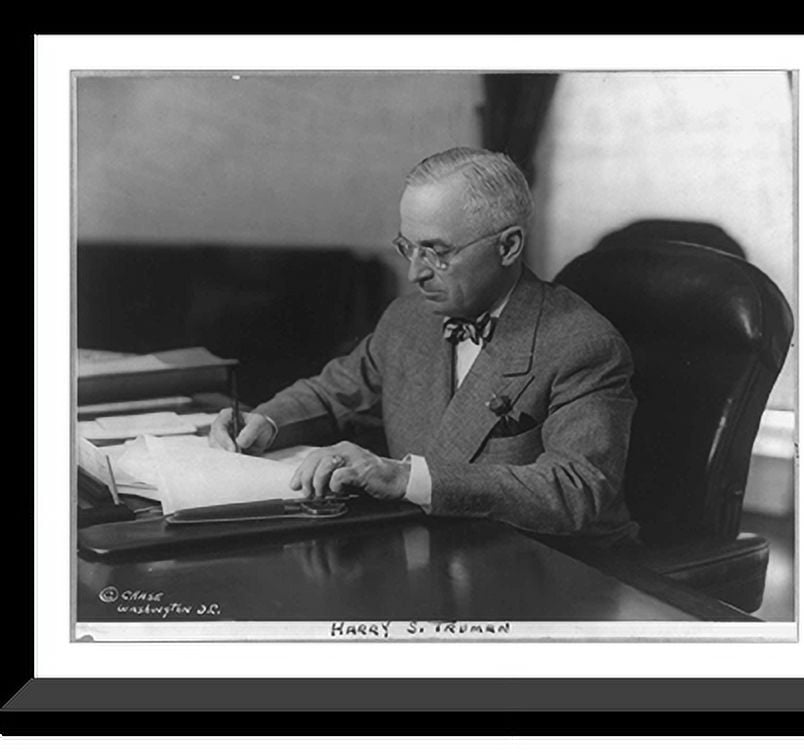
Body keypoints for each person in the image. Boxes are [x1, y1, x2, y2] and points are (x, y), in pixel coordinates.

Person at [209, 147, 639, 542]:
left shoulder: (582, 343)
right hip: (439, 548)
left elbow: (577, 488)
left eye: (436, 252)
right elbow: (332, 393)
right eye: (407, 248)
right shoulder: (409, 319)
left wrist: (403, 478)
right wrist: (264, 422)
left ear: (508, 246)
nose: (415, 274)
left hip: (560, 570)